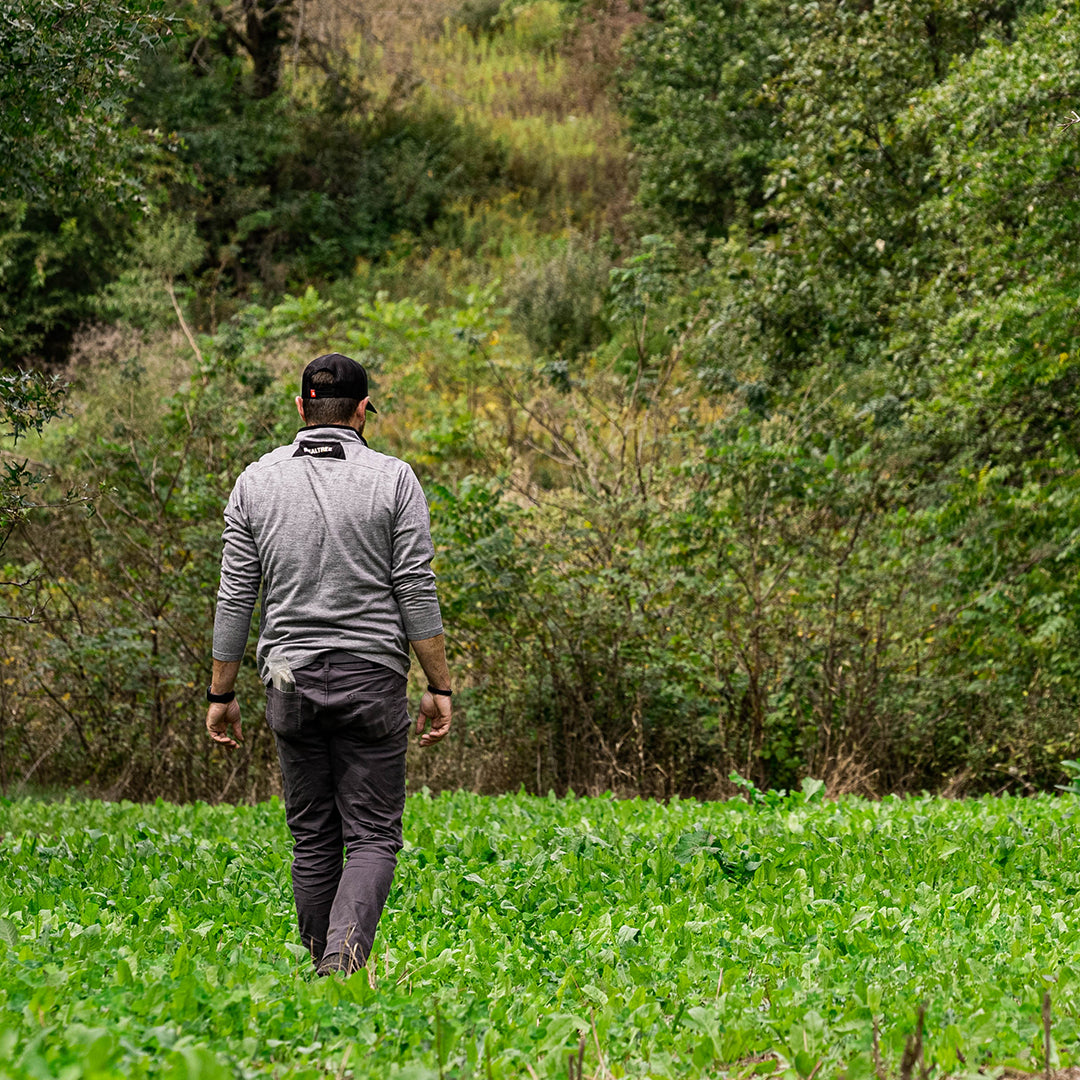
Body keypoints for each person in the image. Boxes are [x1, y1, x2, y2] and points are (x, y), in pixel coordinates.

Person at [204, 352, 452, 976]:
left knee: (313, 837)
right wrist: (439, 683)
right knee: (371, 836)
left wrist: (220, 694)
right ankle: (339, 967)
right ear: (364, 411)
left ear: (300, 408)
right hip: (371, 679)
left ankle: (323, 973)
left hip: (288, 680)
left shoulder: (255, 482)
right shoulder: (394, 480)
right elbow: (415, 589)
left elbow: (236, 594)